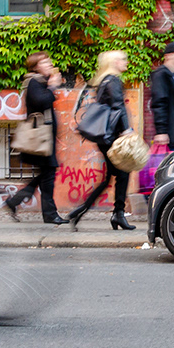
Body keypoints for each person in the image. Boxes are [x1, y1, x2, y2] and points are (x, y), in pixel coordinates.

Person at [68, 49, 135, 231]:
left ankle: (82, 212)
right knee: (122, 172)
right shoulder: (112, 80)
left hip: (106, 136)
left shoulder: (105, 80)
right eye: (122, 59)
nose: (125, 62)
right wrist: (127, 130)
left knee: (112, 176)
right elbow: (118, 106)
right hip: (110, 136)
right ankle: (117, 214)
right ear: (113, 62)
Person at [4, 52, 68, 224]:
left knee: (45, 175)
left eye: (49, 61)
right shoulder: (34, 82)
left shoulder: (39, 82)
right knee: (48, 176)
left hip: (45, 137)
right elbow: (42, 102)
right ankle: (50, 214)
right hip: (40, 137)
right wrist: (53, 87)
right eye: (45, 62)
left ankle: (14, 201)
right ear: (35, 66)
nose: (49, 64)